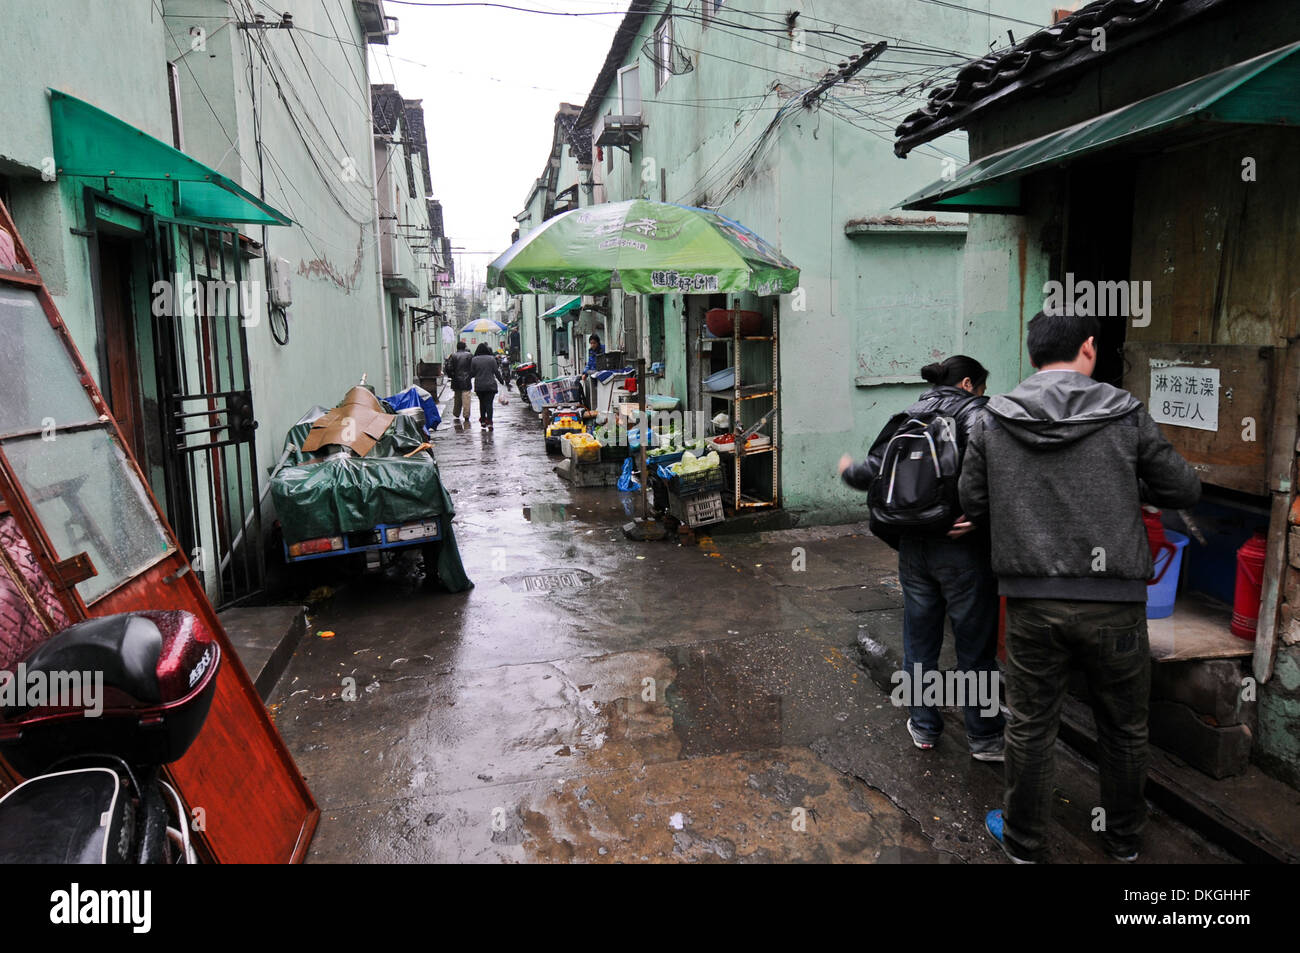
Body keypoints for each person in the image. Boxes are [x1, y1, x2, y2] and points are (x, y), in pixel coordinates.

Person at [958, 311, 1200, 864]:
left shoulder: (991, 420)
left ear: (1034, 354)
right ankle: (1124, 841)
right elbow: (1183, 487)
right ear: (1089, 348)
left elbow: (974, 504)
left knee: (1030, 725)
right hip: (1114, 605)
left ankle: (1022, 843)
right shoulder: (1126, 414)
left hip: (1030, 603)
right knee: (1123, 728)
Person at [839, 355, 1005, 762]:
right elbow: (1003, 475)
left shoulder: (907, 415)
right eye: (981, 387)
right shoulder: (978, 414)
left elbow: (869, 473)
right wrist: (981, 518)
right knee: (975, 649)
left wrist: (847, 469)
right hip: (963, 548)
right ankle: (984, 738)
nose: (982, 393)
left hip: (913, 547)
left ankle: (925, 727)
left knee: (920, 642)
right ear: (969, 383)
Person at [471, 342, 505, 429]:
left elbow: (472, 373)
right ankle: (489, 422)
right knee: (489, 404)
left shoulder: (474, 359)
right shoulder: (491, 359)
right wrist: (501, 381)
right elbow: (496, 372)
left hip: (479, 385)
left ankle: (482, 420)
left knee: (482, 403)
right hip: (490, 385)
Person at [445, 341, 473, 424]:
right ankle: (466, 415)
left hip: (456, 380)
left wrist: (452, 376)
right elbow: (473, 367)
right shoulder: (469, 355)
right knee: (466, 398)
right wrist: (470, 375)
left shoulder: (453, 356)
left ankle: (456, 413)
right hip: (466, 380)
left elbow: (448, 367)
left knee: (457, 397)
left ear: (457, 347)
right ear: (464, 347)